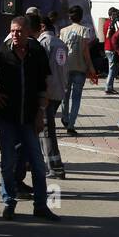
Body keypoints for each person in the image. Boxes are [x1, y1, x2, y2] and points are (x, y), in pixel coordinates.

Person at [0, 15, 59, 221]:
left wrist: (41, 112)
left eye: (19, 31)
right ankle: (8, 203)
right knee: (8, 163)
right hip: (7, 118)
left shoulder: (37, 53)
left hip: (30, 119)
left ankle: (40, 206)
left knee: (38, 166)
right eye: (12, 31)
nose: (15, 34)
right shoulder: (3, 52)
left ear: (29, 32)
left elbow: (44, 83)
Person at [36, 13, 68, 179]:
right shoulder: (61, 43)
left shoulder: (44, 43)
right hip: (58, 91)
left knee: (46, 131)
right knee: (43, 130)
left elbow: (43, 72)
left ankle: (56, 167)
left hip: (47, 93)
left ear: (41, 27)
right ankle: (37, 162)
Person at [58, 5, 98, 135]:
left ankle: (64, 117)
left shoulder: (63, 31)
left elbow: (60, 50)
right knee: (76, 97)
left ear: (70, 17)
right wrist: (91, 67)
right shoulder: (85, 30)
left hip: (65, 67)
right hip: (80, 67)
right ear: (81, 16)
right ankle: (71, 124)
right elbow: (86, 51)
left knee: (65, 94)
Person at [101, 7, 119, 94]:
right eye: (116, 14)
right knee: (112, 69)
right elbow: (108, 35)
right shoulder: (110, 24)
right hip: (111, 48)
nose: (117, 16)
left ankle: (110, 86)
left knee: (112, 68)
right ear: (112, 14)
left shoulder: (106, 22)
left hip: (107, 48)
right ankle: (108, 87)